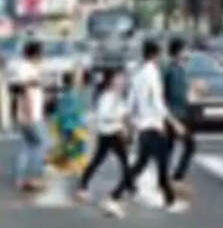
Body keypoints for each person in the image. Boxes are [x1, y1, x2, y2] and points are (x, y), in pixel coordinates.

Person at [109, 40, 187, 216]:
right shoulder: (152, 74)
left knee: (141, 165)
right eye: (159, 55)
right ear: (155, 55)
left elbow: (130, 103)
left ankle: (116, 195)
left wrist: (128, 124)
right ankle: (169, 200)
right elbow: (157, 103)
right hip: (153, 125)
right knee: (160, 164)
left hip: (143, 127)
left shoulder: (138, 75)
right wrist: (173, 122)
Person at [76, 69, 132, 209]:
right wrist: (119, 119)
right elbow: (103, 115)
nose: (122, 82)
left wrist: (127, 121)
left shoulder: (116, 96)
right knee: (123, 162)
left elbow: (124, 112)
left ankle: (83, 186)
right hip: (110, 133)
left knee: (107, 160)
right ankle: (123, 190)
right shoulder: (106, 96)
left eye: (122, 79)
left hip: (113, 132)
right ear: (111, 81)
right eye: (119, 79)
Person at [13, 40, 49, 193]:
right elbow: (25, 91)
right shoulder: (27, 69)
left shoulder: (25, 68)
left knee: (27, 146)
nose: (42, 56)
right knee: (42, 144)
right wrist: (29, 113)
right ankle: (33, 178)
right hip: (31, 115)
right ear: (35, 54)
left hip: (27, 115)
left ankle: (20, 179)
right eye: (41, 53)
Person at [162, 37, 196, 193]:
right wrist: (171, 119)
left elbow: (182, 93)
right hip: (174, 116)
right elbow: (164, 95)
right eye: (185, 50)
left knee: (170, 147)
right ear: (178, 52)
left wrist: (193, 91)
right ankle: (175, 178)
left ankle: (168, 179)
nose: (188, 53)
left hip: (181, 114)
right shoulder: (170, 70)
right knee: (188, 146)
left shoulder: (181, 69)